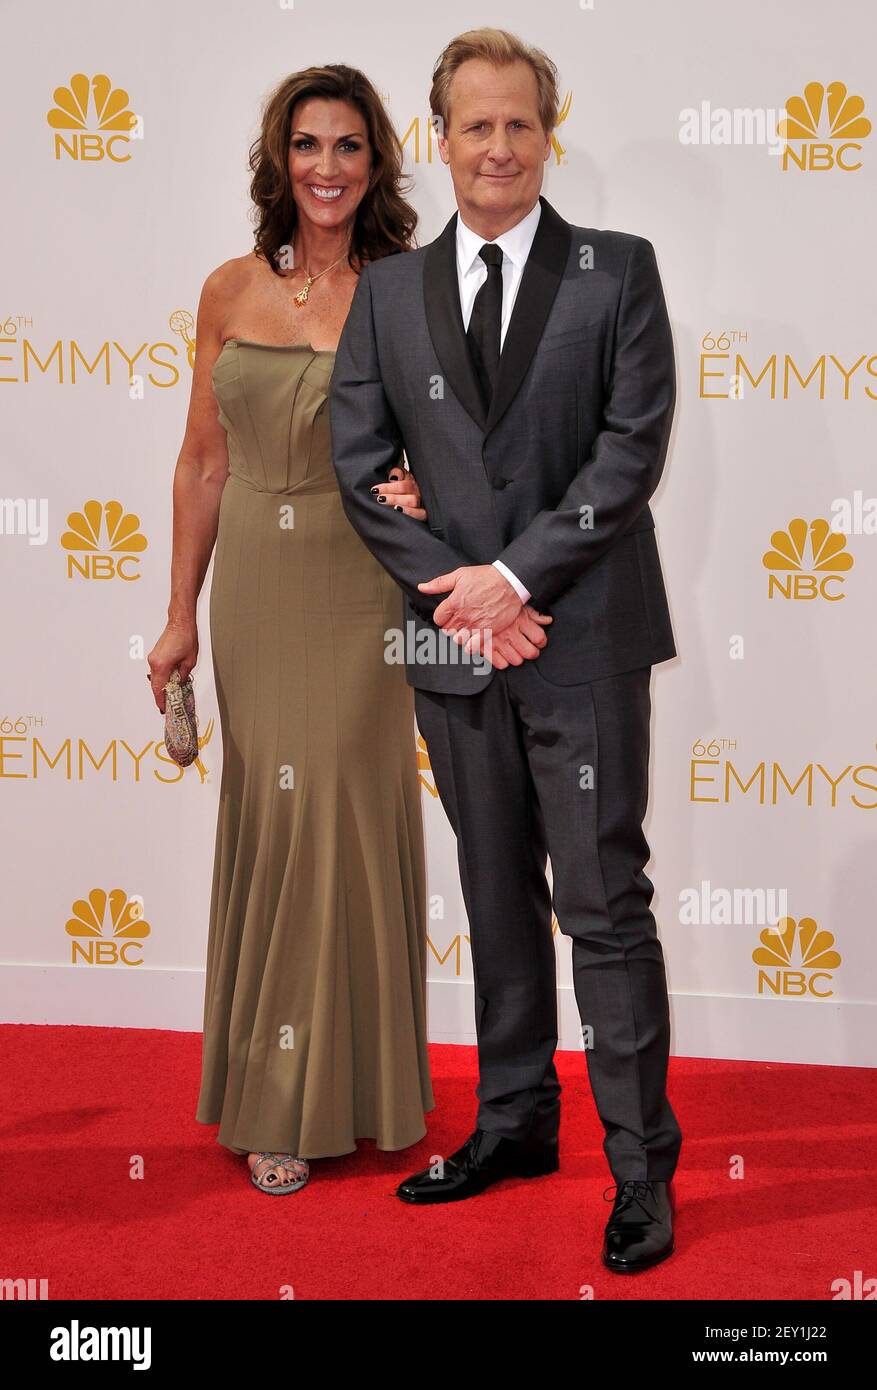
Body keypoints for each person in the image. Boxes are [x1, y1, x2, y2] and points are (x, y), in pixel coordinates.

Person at [329, 27, 682, 1270]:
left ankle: (641, 1170)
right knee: (492, 899)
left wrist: (516, 578)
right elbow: (362, 469)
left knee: (603, 904)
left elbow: (628, 450)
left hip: (582, 636)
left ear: (548, 133)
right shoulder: (385, 295)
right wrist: (464, 597)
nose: (497, 147)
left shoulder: (617, 271)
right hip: (455, 653)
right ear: (440, 140)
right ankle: (516, 1123)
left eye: (518, 123)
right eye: (474, 125)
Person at [147, 64, 438, 1195]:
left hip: (364, 581)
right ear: (279, 161)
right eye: (306, 146)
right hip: (257, 592)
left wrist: (424, 491)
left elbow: (459, 444)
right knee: (276, 825)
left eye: (348, 147)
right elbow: (202, 460)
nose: (326, 167)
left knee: (341, 819)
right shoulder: (228, 288)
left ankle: (347, 1085)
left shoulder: (407, 289)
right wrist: (178, 615)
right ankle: (283, 1094)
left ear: (375, 165)